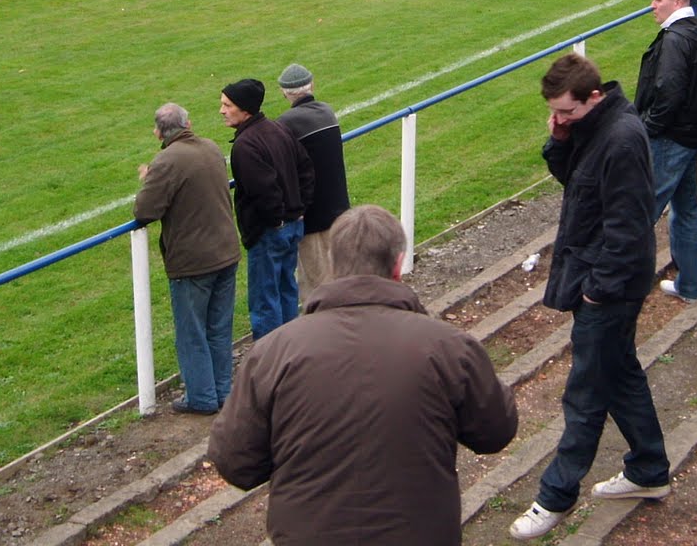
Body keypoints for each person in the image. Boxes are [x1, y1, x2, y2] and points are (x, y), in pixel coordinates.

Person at [210, 205, 517, 546]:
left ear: (332, 266)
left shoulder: (273, 352)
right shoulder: (449, 347)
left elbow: (236, 461)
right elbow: (495, 429)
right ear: (397, 265)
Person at [510, 53, 671, 540]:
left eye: (567, 113)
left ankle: (554, 496)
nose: (559, 120)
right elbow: (577, 185)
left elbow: (629, 222)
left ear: (593, 97)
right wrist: (560, 140)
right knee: (619, 374)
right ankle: (649, 468)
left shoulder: (621, 138)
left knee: (585, 390)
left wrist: (599, 289)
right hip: (599, 276)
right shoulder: (594, 127)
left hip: (610, 285)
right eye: (555, 113)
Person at [134, 102, 240, 414]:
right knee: (219, 329)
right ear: (188, 123)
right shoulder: (210, 147)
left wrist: (149, 179)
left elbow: (144, 211)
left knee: (192, 332)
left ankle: (202, 398)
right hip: (226, 252)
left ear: (158, 133)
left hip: (194, 262)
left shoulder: (166, 161)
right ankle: (223, 392)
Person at [636, 0, 697, 303]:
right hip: (692, 135)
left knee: (641, 211)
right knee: (686, 209)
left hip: (671, 138)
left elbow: (668, 91)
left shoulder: (675, 39)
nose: (652, 6)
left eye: (657, 0)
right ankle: (690, 285)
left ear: (677, 2)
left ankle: (621, 289)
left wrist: (649, 128)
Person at [221, 78, 314, 339]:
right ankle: (292, 352)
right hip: (292, 225)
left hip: (270, 232)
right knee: (286, 290)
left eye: (227, 105)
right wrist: (299, 209)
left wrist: (277, 220)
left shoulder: (245, 145)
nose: (222, 111)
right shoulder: (278, 129)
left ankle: (272, 364)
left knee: (265, 302)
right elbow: (306, 169)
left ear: (245, 109)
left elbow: (264, 191)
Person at [275, 63, 350, 298]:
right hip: (340, 211)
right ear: (312, 85)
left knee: (316, 288)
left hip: (312, 219)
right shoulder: (327, 111)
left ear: (284, 93)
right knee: (344, 277)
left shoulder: (285, 124)